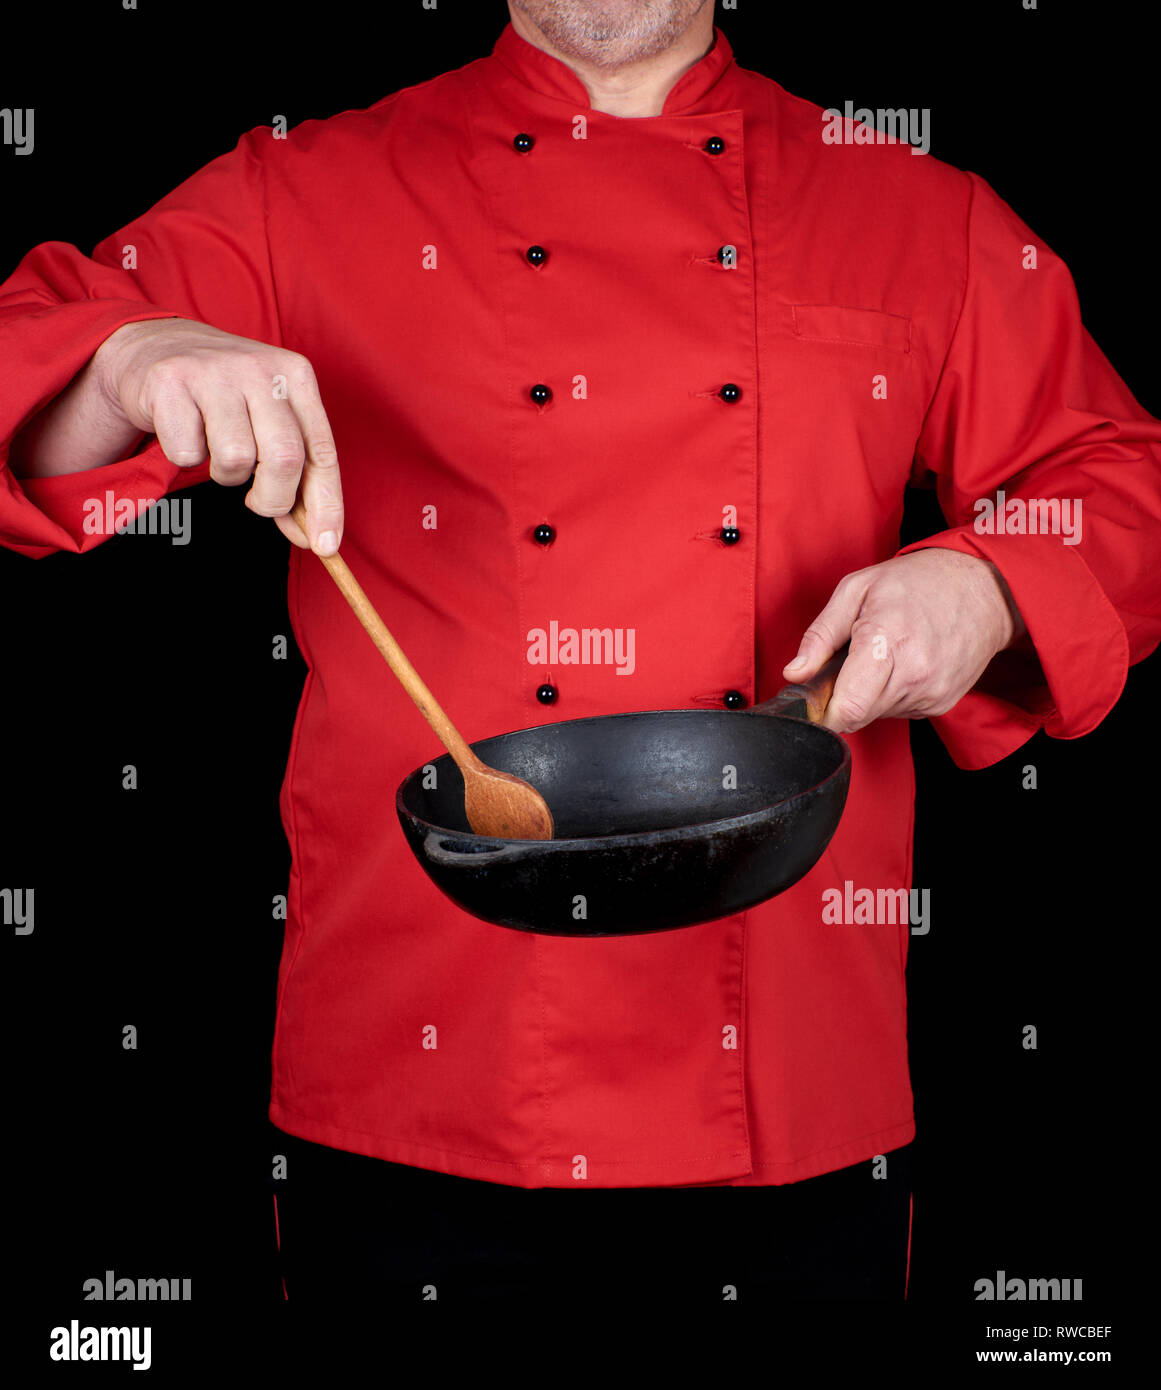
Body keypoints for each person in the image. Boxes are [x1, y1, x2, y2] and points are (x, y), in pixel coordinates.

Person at [2, 1, 1158, 1302]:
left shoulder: (914, 208)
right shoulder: (302, 187)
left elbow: (1116, 485)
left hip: (787, 1082)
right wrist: (129, 354)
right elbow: (20, 375)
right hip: (413, 1075)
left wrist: (987, 585)